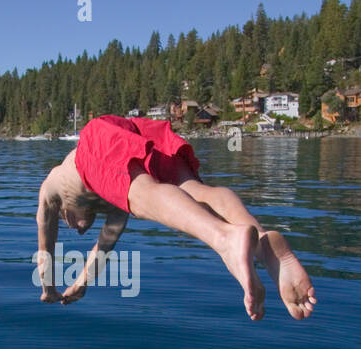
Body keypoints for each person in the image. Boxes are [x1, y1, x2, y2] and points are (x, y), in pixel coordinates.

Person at [35, 114, 316, 320]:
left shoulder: (52, 186)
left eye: (69, 222)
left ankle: (225, 239)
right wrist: (82, 284)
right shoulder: (114, 203)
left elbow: (45, 243)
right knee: (196, 192)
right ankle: (266, 248)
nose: (79, 229)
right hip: (139, 130)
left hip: (100, 137)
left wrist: (48, 288)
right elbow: (103, 247)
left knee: (147, 194)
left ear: (64, 212)